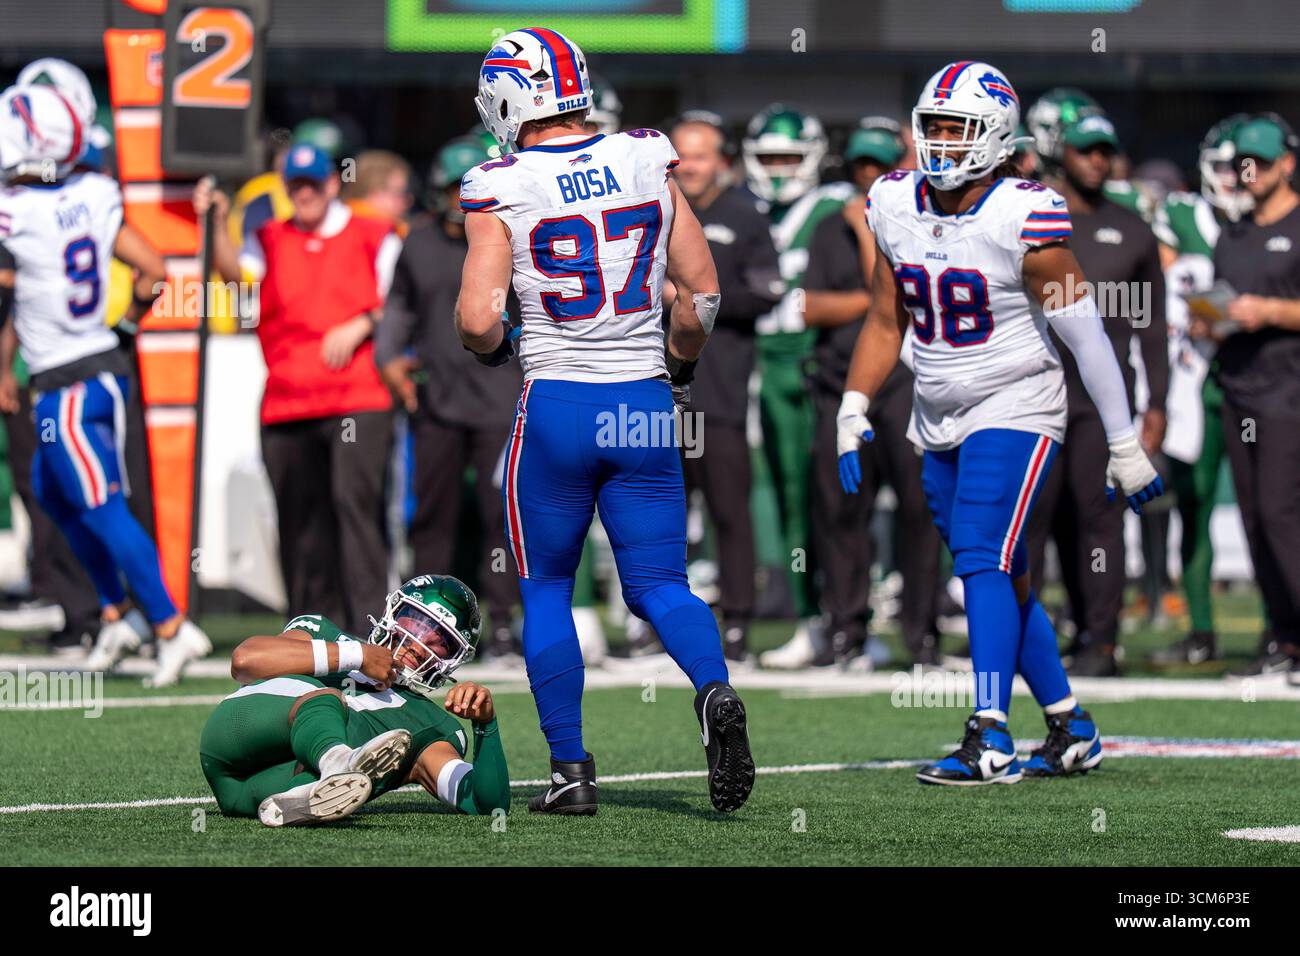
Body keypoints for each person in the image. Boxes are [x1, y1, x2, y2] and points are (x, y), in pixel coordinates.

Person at [838, 61, 1163, 785]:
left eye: (958, 129)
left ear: (995, 137)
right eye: (933, 127)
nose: (943, 142)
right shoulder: (892, 201)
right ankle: (1070, 725)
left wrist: (1121, 441)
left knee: (981, 556)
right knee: (1006, 577)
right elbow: (888, 317)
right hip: (936, 408)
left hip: (1017, 402)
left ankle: (989, 735)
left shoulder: (1025, 212)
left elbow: (1087, 335)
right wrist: (853, 405)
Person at [456, 27, 753, 815]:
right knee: (659, 582)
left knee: (547, 586)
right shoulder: (644, 157)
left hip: (557, 403)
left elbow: (479, 319)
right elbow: (701, 297)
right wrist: (680, 365)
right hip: (645, 401)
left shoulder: (499, 182)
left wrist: (502, 342)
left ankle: (571, 772)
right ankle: (714, 689)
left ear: (512, 96)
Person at [0, 84, 212, 685]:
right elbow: (154, 269)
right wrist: (120, 330)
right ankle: (118, 613)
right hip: (95, 370)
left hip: (67, 384)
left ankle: (171, 627)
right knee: (55, 494)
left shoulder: (14, 212)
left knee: (101, 504)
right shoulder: (94, 192)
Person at [195, 142, 400, 636]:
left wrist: (360, 324)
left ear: (333, 184)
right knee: (299, 524)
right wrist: (218, 221)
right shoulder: (268, 237)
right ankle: (311, 633)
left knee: (355, 514)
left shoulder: (374, 235)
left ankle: (369, 633)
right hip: (287, 403)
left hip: (357, 400)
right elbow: (233, 277)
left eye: (313, 183)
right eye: (296, 186)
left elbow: (403, 302)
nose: (305, 193)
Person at [1024, 111, 1169, 677]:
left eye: (1105, 150)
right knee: (1033, 522)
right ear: (1065, 154)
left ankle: (1100, 642)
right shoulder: (1034, 217)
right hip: (1035, 391)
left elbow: (1152, 326)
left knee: (1100, 522)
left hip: (1099, 402)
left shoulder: (1132, 229)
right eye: (1086, 149)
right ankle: (1026, 642)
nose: (1097, 160)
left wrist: (1156, 403)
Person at [199, 574, 511, 827]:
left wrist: (486, 725)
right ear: (394, 612)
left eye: (440, 641)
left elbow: (486, 803)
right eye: (415, 622)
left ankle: (308, 795)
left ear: (453, 662)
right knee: (326, 699)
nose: (419, 643)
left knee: (310, 769)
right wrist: (355, 656)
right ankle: (338, 764)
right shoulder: (328, 635)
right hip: (236, 736)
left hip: (260, 790)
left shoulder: (434, 725)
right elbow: (246, 660)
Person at [375, 136, 523, 659]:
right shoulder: (417, 243)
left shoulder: (508, 237)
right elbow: (399, 311)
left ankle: (502, 623)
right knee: (431, 517)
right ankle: (419, 626)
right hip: (436, 401)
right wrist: (390, 359)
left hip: (501, 398)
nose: (458, 202)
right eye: (450, 189)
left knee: (500, 516)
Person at [803, 118, 942, 667]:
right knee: (842, 512)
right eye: (861, 166)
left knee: (919, 511)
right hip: (842, 381)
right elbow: (809, 305)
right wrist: (868, 303)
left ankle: (922, 633)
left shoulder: (920, 222)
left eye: (879, 167)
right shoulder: (825, 227)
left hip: (908, 381)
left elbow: (890, 302)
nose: (869, 177)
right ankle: (846, 628)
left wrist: (868, 232)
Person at [741, 104, 856, 668]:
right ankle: (810, 617)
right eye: (770, 158)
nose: (780, 168)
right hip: (759, 364)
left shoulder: (836, 208)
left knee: (835, 499)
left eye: (790, 156)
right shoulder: (744, 208)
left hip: (821, 368)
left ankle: (855, 618)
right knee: (785, 498)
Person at [668, 114, 782, 662]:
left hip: (718, 396)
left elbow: (768, 292)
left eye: (702, 154)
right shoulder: (650, 207)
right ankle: (657, 622)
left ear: (723, 161)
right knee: (659, 512)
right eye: (682, 154)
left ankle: (737, 621)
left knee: (729, 512)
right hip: (656, 394)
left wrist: (696, 294)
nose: (690, 165)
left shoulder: (744, 215)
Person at [1150, 116, 1253, 666]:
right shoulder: (1182, 215)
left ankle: (1283, 632)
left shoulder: (1276, 217)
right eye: (1226, 169)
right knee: (1194, 503)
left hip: (1263, 379)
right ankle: (1201, 630)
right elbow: (1167, 294)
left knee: (1274, 511)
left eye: (1245, 169)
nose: (1236, 181)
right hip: (1196, 383)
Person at [1210, 114, 1300, 676]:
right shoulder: (1233, 235)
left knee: (1280, 512)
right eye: (1244, 160)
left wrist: (1269, 312)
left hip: (1289, 392)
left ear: (1286, 163)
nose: (1250, 171)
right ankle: (1283, 636)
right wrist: (1211, 319)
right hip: (1237, 388)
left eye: (1261, 161)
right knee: (1253, 519)